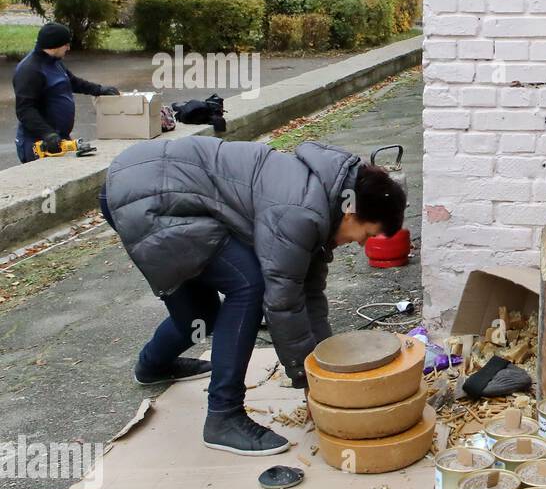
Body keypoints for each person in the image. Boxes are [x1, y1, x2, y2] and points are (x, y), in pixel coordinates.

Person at [101, 136, 406, 455]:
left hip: (139, 178)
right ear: (350, 213)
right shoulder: (301, 212)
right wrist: (310, 383)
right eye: (367, 234)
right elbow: (282, 303)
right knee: (249, 284)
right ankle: (224, 416)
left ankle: (153, 366)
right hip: (145, 195)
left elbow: (309, 294)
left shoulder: (324, 197)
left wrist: (324, 373)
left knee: (201, 317)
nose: (360, 244)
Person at [12, 22, 119, 163]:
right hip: (38, 143)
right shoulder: (30, 70)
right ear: (53, 45)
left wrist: (98, 89)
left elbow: (72, 81)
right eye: (66, 44)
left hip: (59, 139)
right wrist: (47, 133)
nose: (68, 48)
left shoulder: (55, 62)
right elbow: (25, 109)